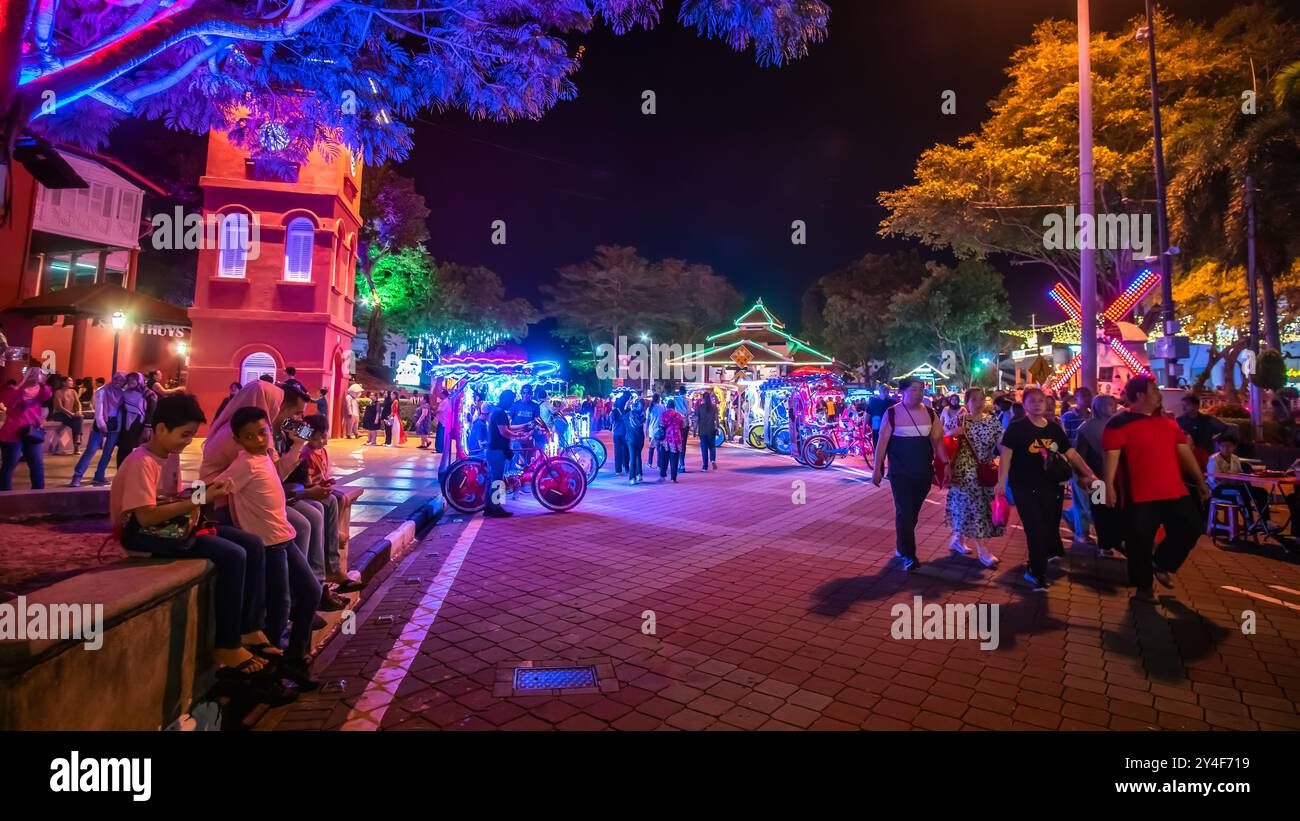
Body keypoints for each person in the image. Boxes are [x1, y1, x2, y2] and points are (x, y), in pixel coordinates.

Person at [112, 392, 274, 678]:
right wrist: (199, 500)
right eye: (185, 434)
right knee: (233, 555)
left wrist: (209, 493)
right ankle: (226, 643)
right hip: (145, 536)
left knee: (251, 542)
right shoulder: (142, 462)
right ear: (161, 429)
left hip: (172, 527)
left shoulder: (168, 457)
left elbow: (174, 498)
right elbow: (145, 516)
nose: (188, 441)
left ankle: (250, 626)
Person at [214, 405, 321, 687]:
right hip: (268, 545)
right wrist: (186, 500)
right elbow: (216, 487)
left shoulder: (263, 458)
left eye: (263, 432)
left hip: (284, 538)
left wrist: (298, 443)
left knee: (310, 591)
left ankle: (295, 658)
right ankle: (271, 674)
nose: (259, 440)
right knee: (279, 606)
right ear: (238, 440)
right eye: (250, 436)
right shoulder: (244, 464)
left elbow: (279, 473)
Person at [1102, 376, 1210, 599]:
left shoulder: (1168, 422)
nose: (1159, 395)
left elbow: (1184, 453)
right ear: (1140, 395)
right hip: (1139, 494)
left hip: (1174, 490)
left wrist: (1200, 481)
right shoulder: (1118, 423)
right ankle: (1143, 589)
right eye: (1154, 391)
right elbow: (1110, 458)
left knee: (1192, 526)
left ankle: (1162, 562)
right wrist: (1108, 487)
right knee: (1139, 542)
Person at [996, 386, 1098, 591]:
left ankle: (1040, 562)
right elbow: (1006, 456)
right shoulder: (1017, 428)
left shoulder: (1053, 428)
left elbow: (1071, 453)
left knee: (1049, 527)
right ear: (1024, 404)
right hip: (1024, 486)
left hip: (1051, 486)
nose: (1036, 404)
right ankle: (1036, 571)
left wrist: (1088, 472)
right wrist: (1001, 481)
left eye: (1040, 401)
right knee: (1034, 528)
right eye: (1032, 401)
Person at [872, 377, 950, 571]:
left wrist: (946, 463)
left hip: (923, 472)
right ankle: (910, 555)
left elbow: (938, 441)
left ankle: (901, 544)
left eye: (921, 390)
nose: (918, 393)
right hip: (900, 473)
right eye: (914, 390)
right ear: (903, 392)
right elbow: (881, 442)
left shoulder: (931, 414)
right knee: (905, 511)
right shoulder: (892, 414)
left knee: (911, 514)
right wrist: (877, 468)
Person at [944, 388, 1001, 568]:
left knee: (970, 508)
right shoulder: (959, 420)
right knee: (976, 508)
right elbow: (943, 440)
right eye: (974, 399)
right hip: (964, 472)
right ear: (966, 402)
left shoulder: (992, 421)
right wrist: (954, 434)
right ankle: (983, 550)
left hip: (985, 470)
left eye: (981, 399)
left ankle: (958, 540)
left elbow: (1002, 444)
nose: (978, 402)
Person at [1075, 394, 1124, 558]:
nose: (1113, 407)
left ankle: (1116, 539)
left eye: (1114, 404)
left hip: (1119, 476)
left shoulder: (1119, 425)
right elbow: (1080, 455)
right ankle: (1104, 543)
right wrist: (1084, 475)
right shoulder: (1086, 428)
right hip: (1096, 477)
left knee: (1117, 509)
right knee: (1100, 511)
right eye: (1109, 404)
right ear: (1098, 406)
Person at [1206, 430, 1271, 530]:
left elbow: (1240, 473)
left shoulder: (1235, 458)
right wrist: (1231, 478)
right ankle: (1250, 522)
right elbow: (1214, 478)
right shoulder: (1213, 459)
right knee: (1241, 492)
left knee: (1262, 492)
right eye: (1222, 446)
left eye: (1228, 446)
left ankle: (1264, 522)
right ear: (1219, 446)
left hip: (1236, 487)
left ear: (1234, 447)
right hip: (1219, 489)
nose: (1225, 448)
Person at [0, 368, 52, 490]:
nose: (37, 378)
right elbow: (8, 402)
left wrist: (43, 384)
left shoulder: (40, 391)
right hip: (12, 434)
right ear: (27, 376)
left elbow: (47, 394)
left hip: (32, 433)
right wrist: (23, 386)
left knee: (37, 466)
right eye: (34, 375)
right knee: (9, 465)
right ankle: (5, 496)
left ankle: (38, 495)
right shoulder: (13, 390)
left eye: (40, 375)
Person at [485, 390, 534, 518]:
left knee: (493, 479)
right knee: (497, 480)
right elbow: (504, 432)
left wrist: (525, 426)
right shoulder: (500, 413)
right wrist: (518, 436)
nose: (512, 404)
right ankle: (496, 508)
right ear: (505, 400)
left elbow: (508, 428)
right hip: (497, 450)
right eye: (511, 401)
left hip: (494, 449)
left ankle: (489, 507)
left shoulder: (497, 411)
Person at [70, 373, 126, 487]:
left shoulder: (122, 393)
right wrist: (101, 423)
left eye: (122, 381)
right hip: (101, 422)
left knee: (108, 452)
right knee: (91, 450)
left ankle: (99, 476)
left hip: (115, 424)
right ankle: (77, 476)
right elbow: (99, 408)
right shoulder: (102, 391)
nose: (118, 383)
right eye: (117, 380)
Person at [1176, 394, 1226, 468]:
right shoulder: (1179, 421)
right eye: (1183, 405)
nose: (1183, 408)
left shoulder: (1207, 420)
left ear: (1196, 406)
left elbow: (1224, 429)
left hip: (1205, 456)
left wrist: (1214, 440)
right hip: (1186, 457)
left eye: (1187, 405)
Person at [114, 372, 153, 466]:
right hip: (124, 425)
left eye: (134, 379)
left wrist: (148, 426)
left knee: (138, 450)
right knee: (123, 449)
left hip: (139, 424)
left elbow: (150, 411)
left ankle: (133, 472)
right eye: (129, 379)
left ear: (139, 380)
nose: (131, 381)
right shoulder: (125, 393)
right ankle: (121, 472)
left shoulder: (148, 394)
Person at [48, 375, 84, 453]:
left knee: (79, 418)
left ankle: (77, 438)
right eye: (70, 380)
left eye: (72, 380)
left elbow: (78, 403)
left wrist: (79, 411)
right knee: (77, 421)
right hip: (59, 414)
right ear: (64, 383)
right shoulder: (58, 392)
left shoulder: (73, 391)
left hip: (70, 415)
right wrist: (71, 414)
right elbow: (60, 407)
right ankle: (77, 444)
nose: (72, 382)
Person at [655, 400, 685, 482]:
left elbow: (661, 426)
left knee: (664, 457)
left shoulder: (664, 414)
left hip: (666, 439)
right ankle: (673, 478)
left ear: (667, 406)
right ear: (674, 406)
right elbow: (683, 426)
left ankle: (662, 476)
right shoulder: (679, 415)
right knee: (674, 458)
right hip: (676, 438)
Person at [625, 394, 646, 485]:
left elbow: (624, 412)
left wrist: (628, 403)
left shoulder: (629, 415)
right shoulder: (643, 416)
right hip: (640, 439)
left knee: (632, 457)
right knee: (638, 456)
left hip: (631, 439)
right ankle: (639, 474)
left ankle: (632, 477)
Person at [866, 384, 894, 450]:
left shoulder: (892, 402)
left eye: (887, 391)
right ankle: (879, 460)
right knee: (878, 448)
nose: (885, 393)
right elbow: (867, 414)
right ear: (879, 392)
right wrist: (864, 426)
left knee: (890, 450)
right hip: (877, 429)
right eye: (884, 391)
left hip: (889, 429)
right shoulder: (873, 402)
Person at [697, 391, 719, 470]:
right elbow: (716, 419)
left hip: (702, 430)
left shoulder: (700, 407)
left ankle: (705, 466)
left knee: (704, 448)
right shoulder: (714, 407)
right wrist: (718, 427)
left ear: (703, 398)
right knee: (712, 446)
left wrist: (695, 430)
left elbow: (697, 419)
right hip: (711, 429)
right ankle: (712, 460)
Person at [610, 394, 629, 476]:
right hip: (625, 433)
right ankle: (627, 467)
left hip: (616, 433)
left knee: (617, 452)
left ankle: (618, 470)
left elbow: (610, 422)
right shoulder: (627, 410)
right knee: (626, 450)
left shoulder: (613, 412)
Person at [646, 393, 664, 467]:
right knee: (659, 448)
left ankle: (649, 463)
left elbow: (647, 421)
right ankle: (659, 465)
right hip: (659, 430)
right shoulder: (662, 407)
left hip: (651, 431)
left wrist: (646, 430)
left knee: (651, 447)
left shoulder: (649, 409)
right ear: (659, 399)